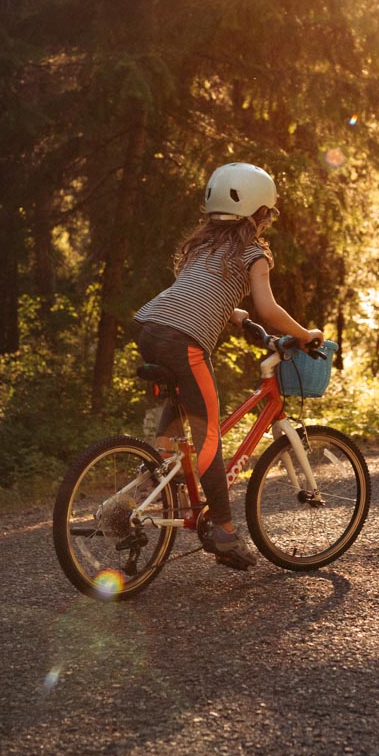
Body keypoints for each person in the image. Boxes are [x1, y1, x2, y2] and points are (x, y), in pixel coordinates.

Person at [133, 162, 323, 570]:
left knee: (186, 403)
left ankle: (157, 468)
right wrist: (305, 333)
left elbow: (198, 289)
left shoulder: (201, 246)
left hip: (151, 327)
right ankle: (224, 530)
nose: (269, 220)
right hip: (184, 341)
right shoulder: (254, 253)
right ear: (257, 211)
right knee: (209, 436)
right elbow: (268, 308)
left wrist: (235, 316)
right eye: (269, 212)